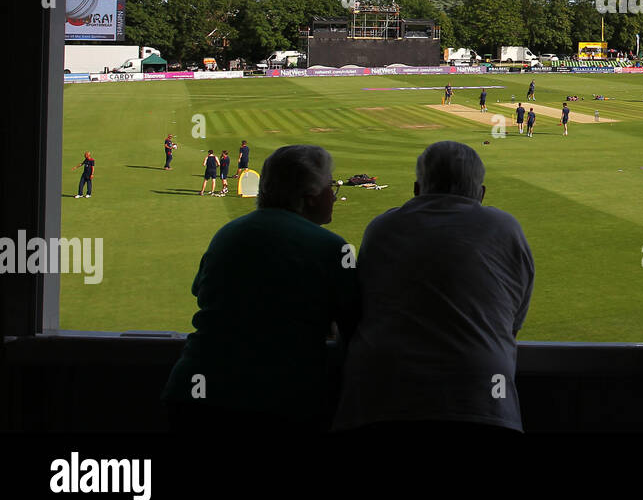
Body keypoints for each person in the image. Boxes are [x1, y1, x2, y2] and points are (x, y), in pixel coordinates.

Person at [334, 141, 534, 434]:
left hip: (382, 399)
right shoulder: (505, 228)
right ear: (481, 193)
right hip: (483, 399)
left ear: (417, 189)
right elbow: (512, 324)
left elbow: (358, 312)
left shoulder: (382, 228)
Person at [163, 144, 360, 431]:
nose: (334, 193)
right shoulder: (333, 247)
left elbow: (204, 294)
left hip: (194, 395)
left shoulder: (227, 234)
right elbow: (354, 326)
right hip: (274, 405)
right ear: (309, 199)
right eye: (330, 185)